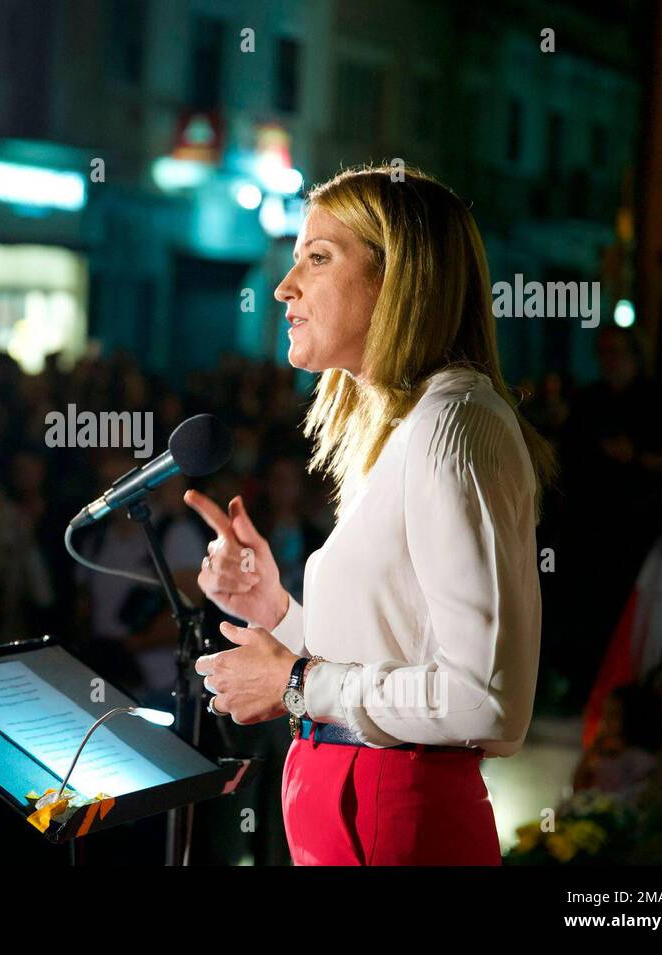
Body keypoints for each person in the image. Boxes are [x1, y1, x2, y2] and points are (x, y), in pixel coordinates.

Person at [190, 164, 556, 866]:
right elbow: (393, 652)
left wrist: (296, 683)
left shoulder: (455, 423)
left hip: (394, 817)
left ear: (398, 279)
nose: (283, 286)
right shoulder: (407, 424)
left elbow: (487, 698)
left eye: (317, 258)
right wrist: (276, 611)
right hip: (352, 807)